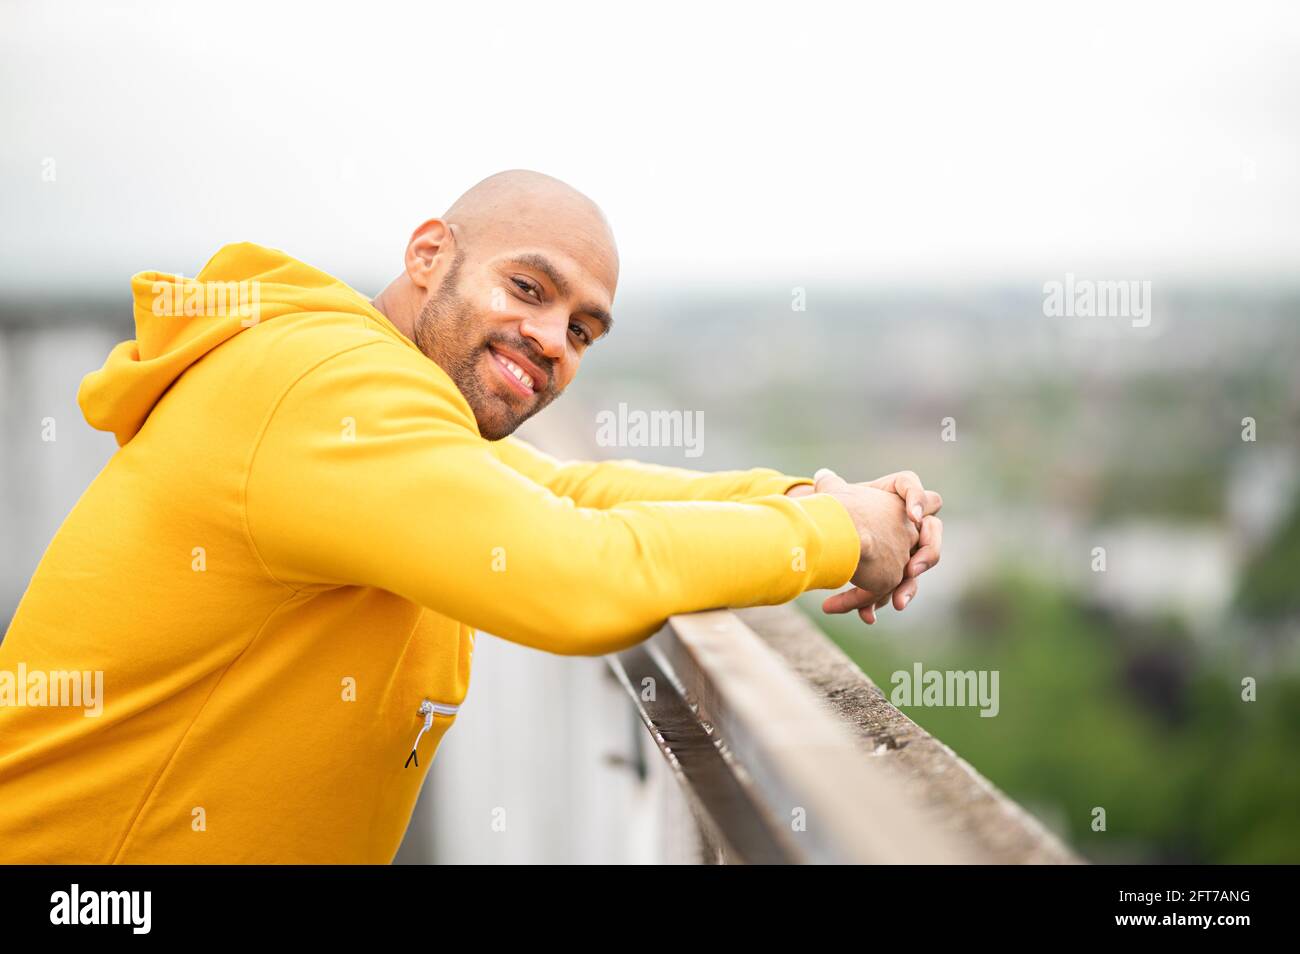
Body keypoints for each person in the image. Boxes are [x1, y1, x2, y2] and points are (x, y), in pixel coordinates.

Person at [0, 170, 942, 863]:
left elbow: (569, 495)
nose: (549, 339)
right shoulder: (325, 385)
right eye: (528, 289)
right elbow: (573, 576)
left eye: (581, 330)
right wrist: (840, 537)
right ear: (428, 255)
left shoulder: (366, 390)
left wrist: (811, 504)